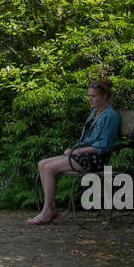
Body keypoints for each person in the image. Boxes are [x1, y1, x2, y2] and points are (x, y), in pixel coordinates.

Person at [26, 79, 119, 226]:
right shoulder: (94, 114)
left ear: (105, 97)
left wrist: (78, 151)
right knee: (42, 163)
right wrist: (74, 149)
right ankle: (52, 209)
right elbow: (85, 139)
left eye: (93, 96)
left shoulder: (110, 116)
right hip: (83, 155)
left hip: (95, 159)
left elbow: (103, 146)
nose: (90, 99)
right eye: (89, 95)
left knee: (49, 169)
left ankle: (46, 213)